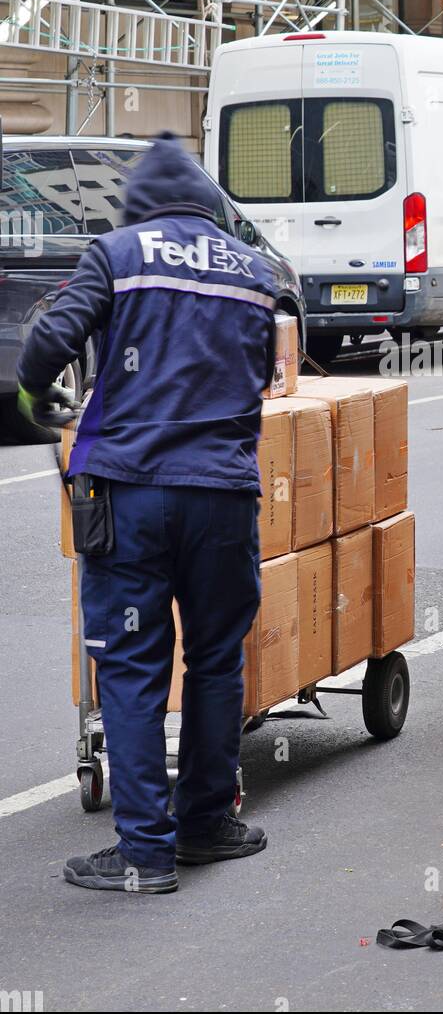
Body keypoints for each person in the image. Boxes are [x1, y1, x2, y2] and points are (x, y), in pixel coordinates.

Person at [17, 133, 277, 892]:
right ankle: (205, 823)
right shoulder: (254, 272)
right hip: (224, 496)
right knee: (217, 656)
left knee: (131, 670)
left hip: (126, 491)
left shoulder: (117, 253)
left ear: (140, 206)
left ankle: (144, 851)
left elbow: (48, 342)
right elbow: (262, 373)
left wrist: (40, 399)